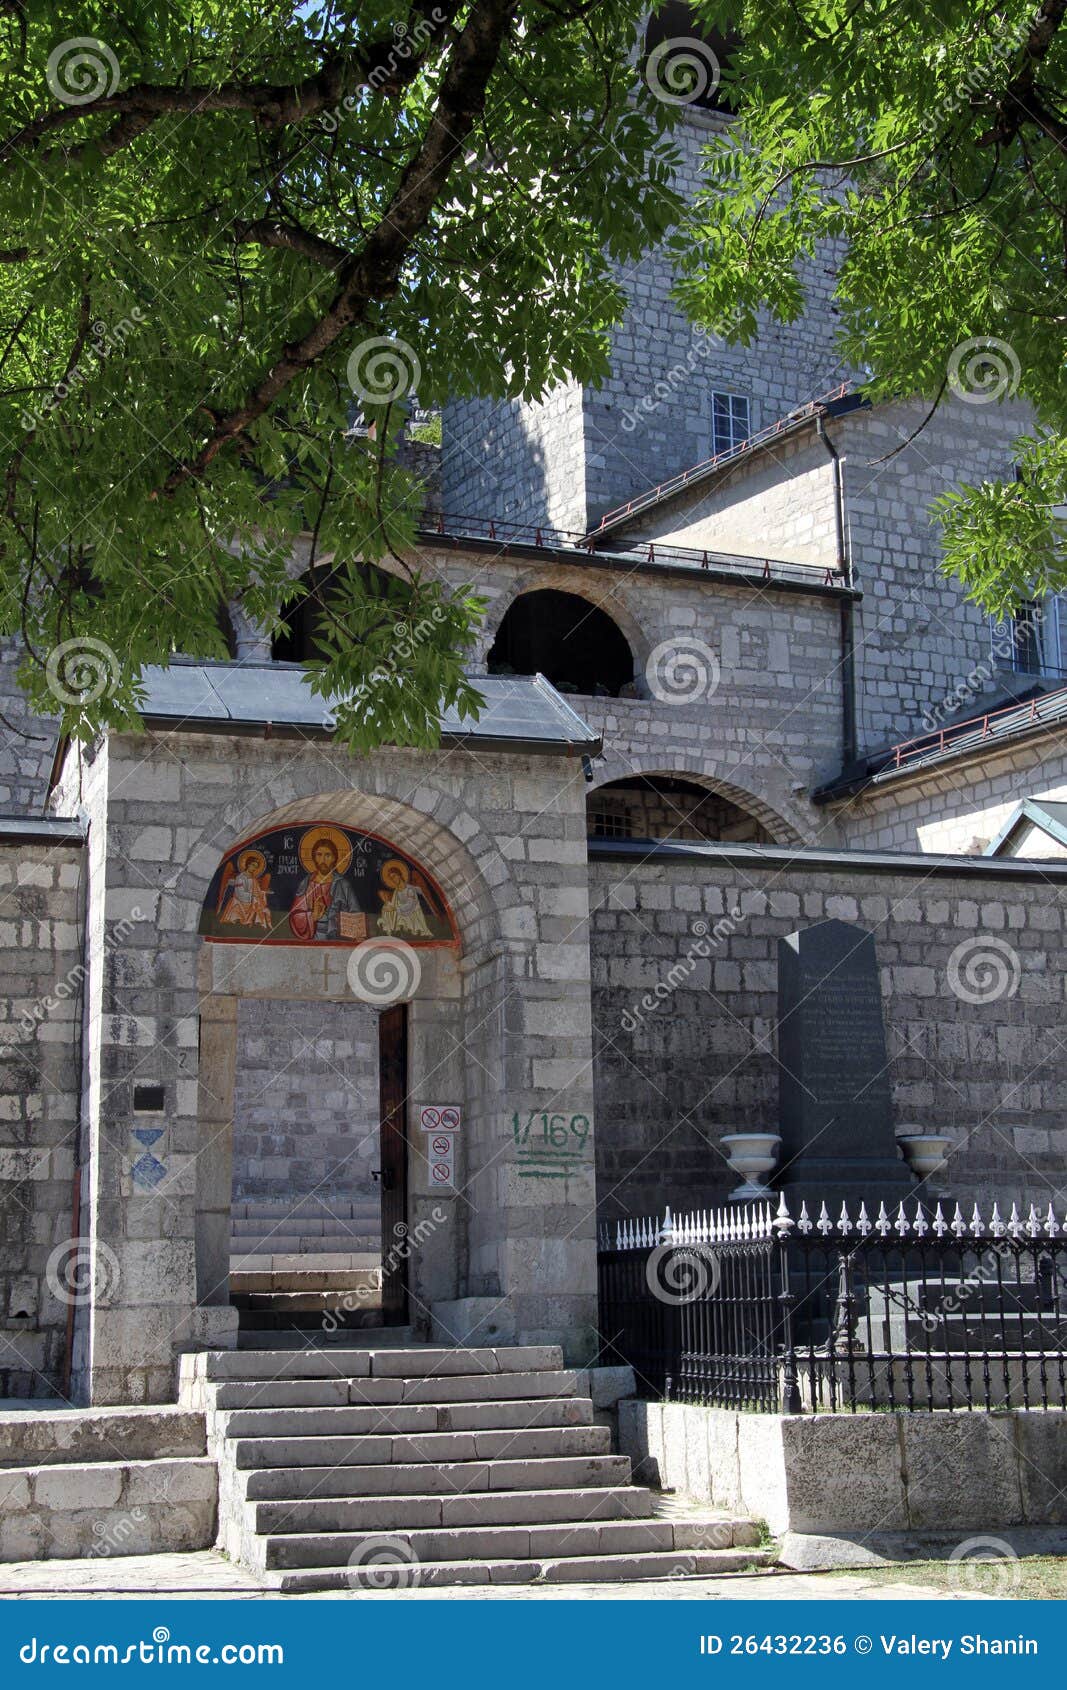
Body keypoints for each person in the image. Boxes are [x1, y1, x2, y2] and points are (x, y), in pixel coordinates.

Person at [288, 829, 360, 940]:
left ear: (334, 858)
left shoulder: (343, 884)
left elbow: (355, 913)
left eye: (327, 855)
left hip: (338, 937)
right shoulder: (307, 883)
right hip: (313, 936)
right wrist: (313, 916)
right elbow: (295, 914)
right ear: (314, 857)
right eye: (319, 855)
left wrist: (357, 935)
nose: (323, 860)